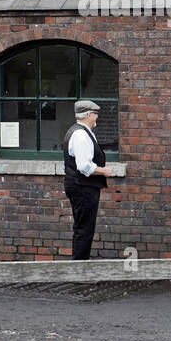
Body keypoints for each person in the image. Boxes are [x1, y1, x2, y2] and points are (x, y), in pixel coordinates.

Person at [63, 100, 115, 259]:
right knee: (84, 229)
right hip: (83, 188)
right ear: (88, 115)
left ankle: (80, 267)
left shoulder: (80, 131)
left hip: (82, 186)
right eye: (95, 114)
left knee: (83, 228)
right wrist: (103, 171)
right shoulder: (80, 135)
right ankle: (80, 270)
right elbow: (84, 167)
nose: (96, 118)